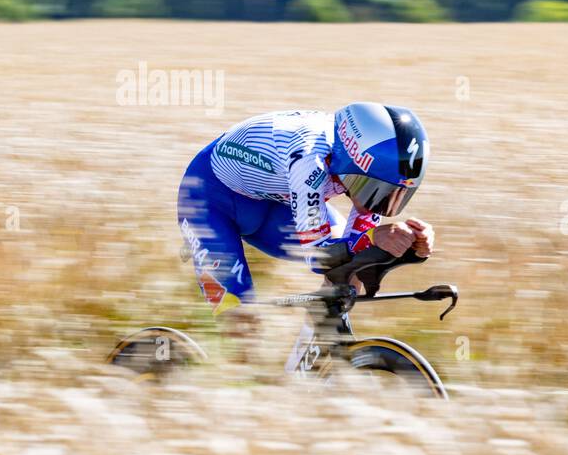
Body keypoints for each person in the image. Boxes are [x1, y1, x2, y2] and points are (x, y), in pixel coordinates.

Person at [177, 102, 434, 333]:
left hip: (273, 204)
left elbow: (357, 245)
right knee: (240, 322)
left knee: (351, 265)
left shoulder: (351, 163)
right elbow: (319, 256)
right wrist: (373, 237)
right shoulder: (310, 159)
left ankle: (323, 349)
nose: (377, 207)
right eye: (376, 192)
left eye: (395, 197)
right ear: (353, 164)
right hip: (208, 202)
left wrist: (409, 244)